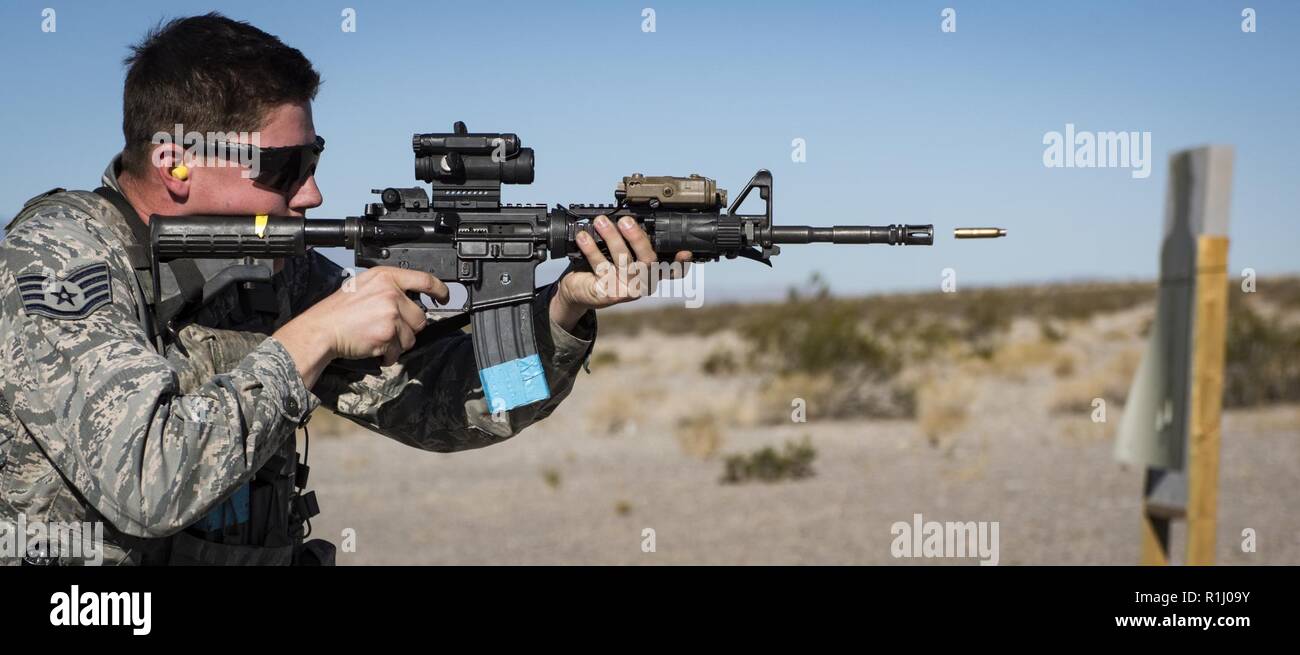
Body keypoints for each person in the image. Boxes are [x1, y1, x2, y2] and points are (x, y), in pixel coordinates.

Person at [0, 13, 688, 565]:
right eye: (286, 166)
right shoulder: (59, 256)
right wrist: (316, 334)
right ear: (176, 162)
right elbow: (146, 480)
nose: (312, 191)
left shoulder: (275, 271)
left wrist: (562, 309)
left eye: (315, 159)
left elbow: (445, 410)